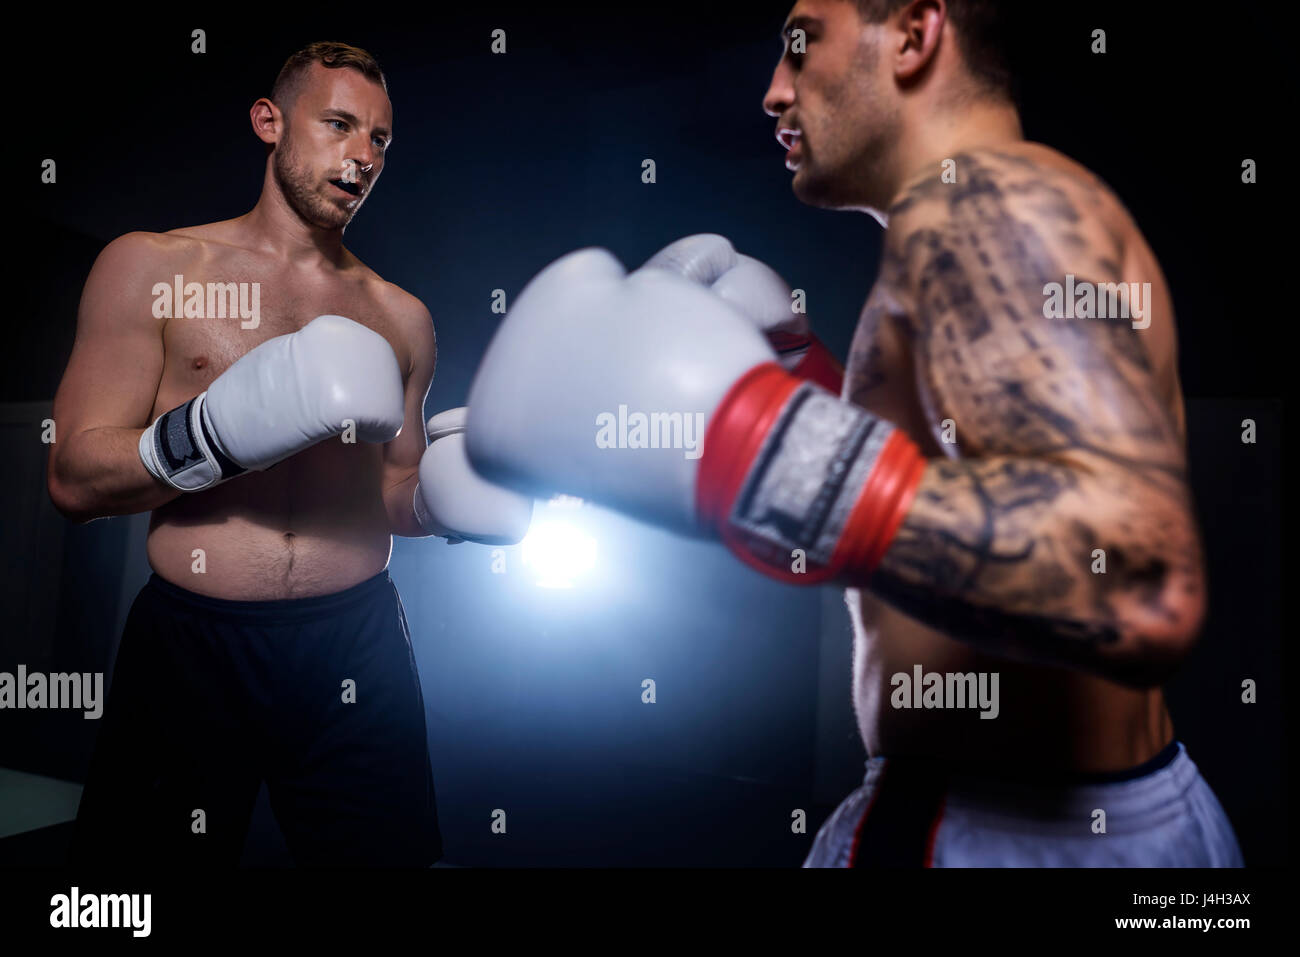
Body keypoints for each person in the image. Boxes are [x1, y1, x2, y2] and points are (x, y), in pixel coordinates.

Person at [461, 0, 1242, 866]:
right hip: (1103, 811)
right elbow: (988, 485)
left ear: (913, 32)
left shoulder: (985, 208)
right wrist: (811, 392)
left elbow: (1135, 581)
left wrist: (752, 447)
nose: (771, 91)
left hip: (1009, 827)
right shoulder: (989, 215)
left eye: (801, 45)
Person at [48, 41, 529, 866]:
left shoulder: (402, 317)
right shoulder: (151, 267)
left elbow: (391, 490)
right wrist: (211, 435)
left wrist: (446, 499)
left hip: (357, 642)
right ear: (270, 123)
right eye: (339, 124)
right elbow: (74, 477)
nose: (363, 156)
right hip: (192, 645)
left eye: (380, 139)